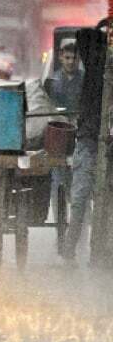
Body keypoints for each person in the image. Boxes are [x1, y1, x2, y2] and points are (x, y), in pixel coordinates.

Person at [61, 28, 106, 266]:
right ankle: (69, 250)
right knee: (79, 199)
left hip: (106, 145)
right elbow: (84, 35)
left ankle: (100, 252)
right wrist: (104, 32)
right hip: (88, 141)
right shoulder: (93, 70)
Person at [49, 42, 84, 227]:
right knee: (58, 183)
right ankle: (60, 229)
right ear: (61, 57)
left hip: (83, 137)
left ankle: (81, 230)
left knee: (81, 187)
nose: (70, 61)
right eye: (67, 57)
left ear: (79, 59)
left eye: (74, 58)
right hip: (61, 138)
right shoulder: (54, 82)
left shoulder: (87, 81)